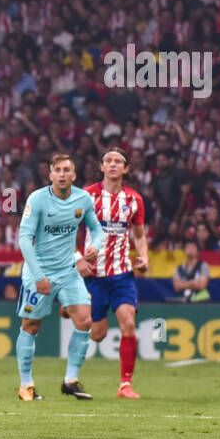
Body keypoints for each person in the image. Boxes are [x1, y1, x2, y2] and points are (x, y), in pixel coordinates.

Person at [15, 153, 105, 401]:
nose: (63, 174)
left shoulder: (83, 198)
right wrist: (39, 276)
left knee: (85, 321)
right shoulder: (38, 199)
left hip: (68, 270)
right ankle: (26, 385)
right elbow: (24, 239)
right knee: (31, 326)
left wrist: (95, 246)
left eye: (67, 170)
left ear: (74, 175)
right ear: (50, 174)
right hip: (39, 271)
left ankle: (71, 381)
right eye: (58, 170)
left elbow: (96, 229)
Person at [82, 147, 150, 399]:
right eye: (107, 161)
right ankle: (71, 305)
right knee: (98, 335)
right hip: (94, 274)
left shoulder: (134, 200)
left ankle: (125, 385)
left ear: (125, 169)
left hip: (122, 273)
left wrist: (143, 255)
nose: (112, 165)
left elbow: (140, 235)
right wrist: (78, 259)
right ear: (101, 167)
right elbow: (68, 230)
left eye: (117, 161)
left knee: (129, 323)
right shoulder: (86, 196)